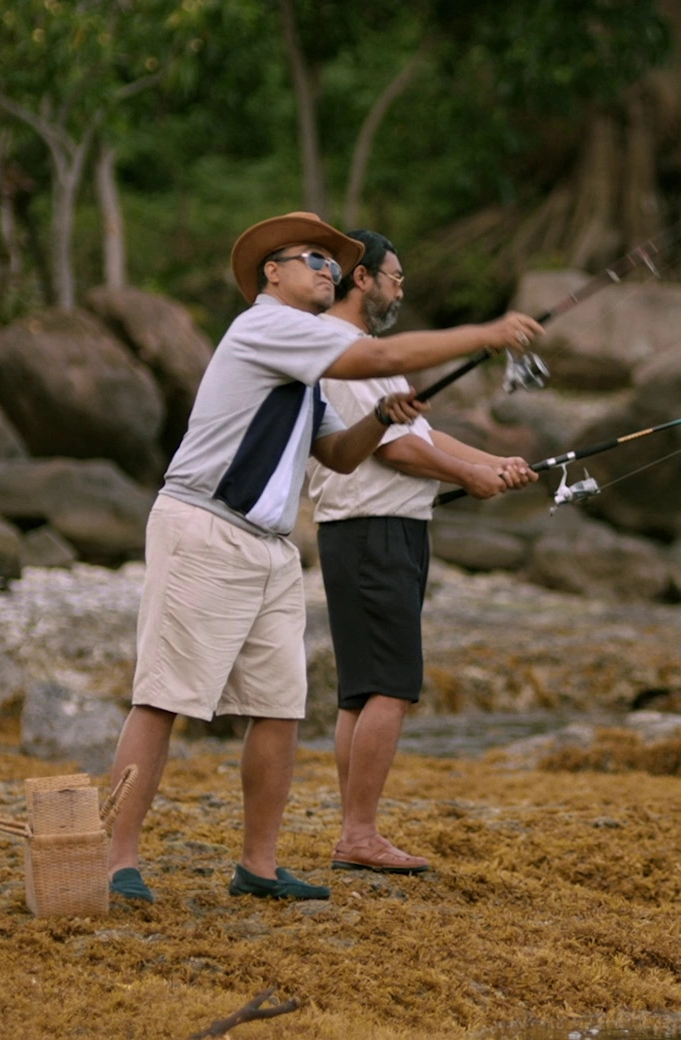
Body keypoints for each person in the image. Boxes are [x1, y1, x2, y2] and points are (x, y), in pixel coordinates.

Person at [105, 211, 544, 903]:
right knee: (163, 698)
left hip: (274, 548)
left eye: (330, 261)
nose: (325, 269)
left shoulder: (302, 369)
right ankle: (115, 860)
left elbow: (338, 454)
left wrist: (380, 418)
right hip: (205, 526)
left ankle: (259, 864)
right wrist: (487, 333)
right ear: (270, 273)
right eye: (310, 257)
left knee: (278, 708)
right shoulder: (265, 326)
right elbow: (372, 358)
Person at [305, 230, 538, 875]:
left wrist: (496, 464)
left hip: (370, 533)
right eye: (395, 277)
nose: (401, 288)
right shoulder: (347, 350)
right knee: (392, 687)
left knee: (362, 691)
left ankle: (356, 829)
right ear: (363, 279)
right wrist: (467, 479)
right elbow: (397, 451)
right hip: (374, 531)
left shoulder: (367, 354)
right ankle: (358, 835)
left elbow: (422, 433)